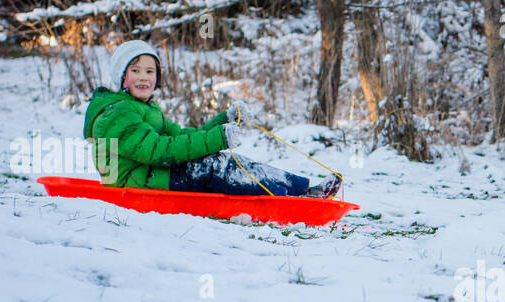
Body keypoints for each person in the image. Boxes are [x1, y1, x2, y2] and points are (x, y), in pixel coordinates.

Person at [83, 39, 341, 198]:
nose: (143, 77)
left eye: (150, 71)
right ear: (121, 77)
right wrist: (219, 139)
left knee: (224, 160)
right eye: (135, 70)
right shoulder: (117, 114)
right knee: (214, 165)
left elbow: (182, 137)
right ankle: (288, 199)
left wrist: (222, 121)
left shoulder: (144, 109)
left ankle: (303, 189)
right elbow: (160, 151)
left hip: (151, 175)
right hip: (133, 185)